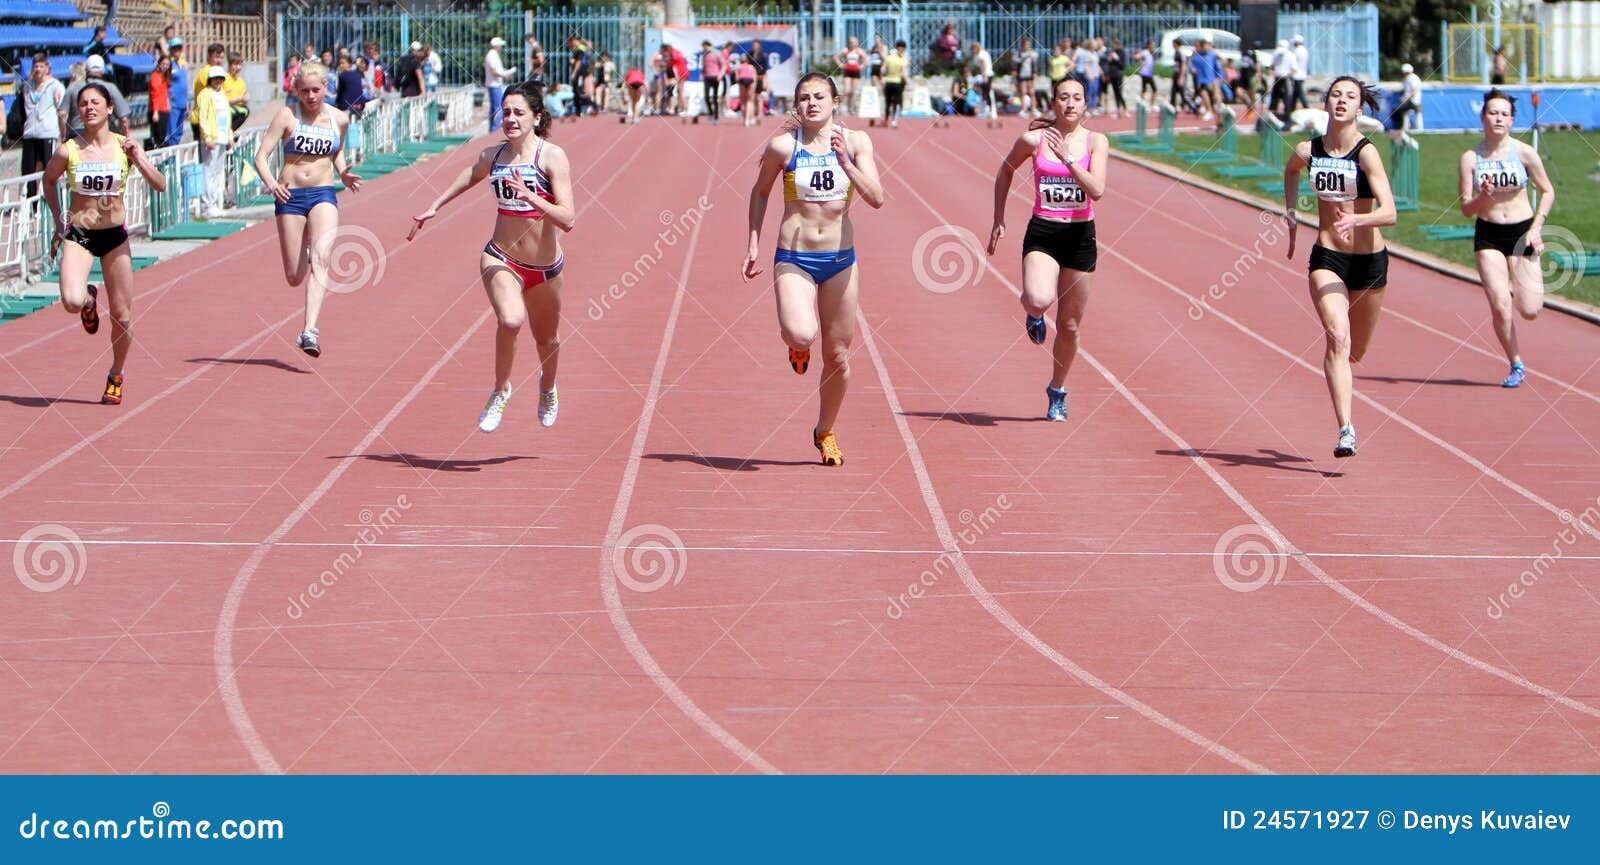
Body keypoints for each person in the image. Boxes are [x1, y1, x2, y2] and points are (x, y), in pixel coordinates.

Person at [409, 82, 575, 433]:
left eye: (519, 112)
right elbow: (471, 175)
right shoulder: (494, 156)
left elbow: (568, 219)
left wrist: (533, 198)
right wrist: (434, 206)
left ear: (537, 117)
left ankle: (548, 387)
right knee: (511, 321)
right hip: (501, 258)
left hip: (545, 268)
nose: (510, 119)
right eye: (506, 112)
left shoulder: (551, 157)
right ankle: (500, 390)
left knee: (547, 340)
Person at [742, 73, 885, 466]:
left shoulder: (856, 143)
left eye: (820, 96)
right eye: (804, 98)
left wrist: (847, 165)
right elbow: (760, 191)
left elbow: (877, 198)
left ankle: (825, 431)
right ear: (796, 106)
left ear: (835, 101)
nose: (812, 103)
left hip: (841, 260)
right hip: (795, 257)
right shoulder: (783, 147)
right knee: (801, 331)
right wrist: (754, 241)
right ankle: (796, 343)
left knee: (838, 355)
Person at [1282, 77, 1395, 458]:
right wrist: (1292, 212)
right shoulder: (1307, 149)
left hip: (1370, 262)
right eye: (1336, 95)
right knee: (1337, 338)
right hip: (1327, 257)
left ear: (1360, 109)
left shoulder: (1366, 154)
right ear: (1326, 104)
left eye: (1350, 97)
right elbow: (1291, 171)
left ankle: (1345, 374)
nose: (1342, 101)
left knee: (1356, 351)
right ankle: (1346, 429)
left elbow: (1390, 212)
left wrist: (1358, 222)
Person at [986, 77, 1108, 422]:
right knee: (1039, 298)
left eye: (1077, 98)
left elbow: (1097, 190)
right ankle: (1035, 314)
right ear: (1053, 104)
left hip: (1081, 236)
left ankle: (1057, 390)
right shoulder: (1033, 140)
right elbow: (1005, 171)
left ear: (1085, 104)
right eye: (1063, 97)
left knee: (1069, 326)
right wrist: (999, 218)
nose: (1070, 103)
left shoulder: (1097, 142)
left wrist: (1070, 160)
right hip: (1044, 231)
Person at [41, 83, 168, 405]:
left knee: (122, 317)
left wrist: (138, 157)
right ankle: (87, 301)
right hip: (80, 236)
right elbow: (49, 180)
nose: (89, 108)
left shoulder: (123, 147)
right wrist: (58, 221)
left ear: (110, 108)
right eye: (83, 104)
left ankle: (116, 373)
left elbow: (161, 185)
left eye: (95, 102)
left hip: (114, 237)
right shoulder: (68, 150)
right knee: (70, 299)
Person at [252, 61, 363, 358]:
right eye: (305, 91)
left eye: (316, 90)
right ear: (297, 91)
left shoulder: (339, 118)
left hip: (323, 193)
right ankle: (303, 248)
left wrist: (343, 173)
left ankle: (309, 330)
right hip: (290, 195)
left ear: (326, 89)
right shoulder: (287, 116)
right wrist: (272, 184)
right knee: (294, 275)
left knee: (323, 257)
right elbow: (261, 156)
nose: (311, 96)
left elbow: (337, 150)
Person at [1458, 90, 1555, 388]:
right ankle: (1516, 363)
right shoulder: (1471, 158)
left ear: (1512, 120)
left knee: (1529, 310)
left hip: (1522, 232)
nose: (1498, 118)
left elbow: (1548, 191)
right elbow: (1465, 208)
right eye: (1492, 113)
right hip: (1488, 235)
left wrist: (1537, 227)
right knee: (1501, 305)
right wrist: (1481, 197)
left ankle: (1525, 273)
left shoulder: (1524, 153)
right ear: (1483, 117)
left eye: (1504, 114)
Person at [19, 53, 67, 194]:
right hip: (30, 134)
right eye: (35, 66)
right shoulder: (27, 87)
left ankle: (51, 200)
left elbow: (62, 111)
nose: (38, 69)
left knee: (49, 168)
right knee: (28, 171)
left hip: (47, 133)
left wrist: (63, 133)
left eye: (41, 66)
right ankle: (31, 205)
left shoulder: (55, 86)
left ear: (47, 68)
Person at [195, 66, 233, 218]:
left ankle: (215, 203)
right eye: (216, 78)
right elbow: (202, 116)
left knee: (217, 172)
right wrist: (207, 137)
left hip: (222, 136)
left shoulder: (222, 94)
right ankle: (207, 205)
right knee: (208, 170)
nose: (218, 81)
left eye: (221, 78)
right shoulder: (205, 94)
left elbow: (227, 117)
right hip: (212, 138)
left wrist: (229, 136)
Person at [62, 56, 131, 136]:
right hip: (102, 134)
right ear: (102, 71)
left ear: (86, 70)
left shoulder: (73, 87)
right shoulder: (111, 88)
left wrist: (64, 135)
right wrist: (126, 137)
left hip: (77, 133)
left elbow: (62, 113)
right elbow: (123, 119)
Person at [485, 36, 516, 131]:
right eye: (500, 45)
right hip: (494, 85)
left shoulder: (493, 55)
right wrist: (505, 75)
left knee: (494, 109)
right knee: (498, 109)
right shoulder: (492, 55)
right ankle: (495, 130)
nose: (501, 47)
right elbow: (494, 72)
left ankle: (492, 129)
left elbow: (497, 70)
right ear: (497, 46)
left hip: (494, 84)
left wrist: (505, 73)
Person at [1189, 38, 1222, 121]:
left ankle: (1219, 111)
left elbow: (1218, 67)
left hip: (1213, 79)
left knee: (1215, 96)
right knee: (1203, 93)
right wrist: (1192, 69)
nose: (1207, 47)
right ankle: (1209, 111)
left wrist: (1218, 78)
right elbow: (1192, 65)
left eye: (1208, 45)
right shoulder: (1196, 56)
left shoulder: (1212, 55)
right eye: (1205, 46)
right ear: (1201, 46)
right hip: (1202, 79)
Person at [167, 38, 190, 143]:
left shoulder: (182, 64)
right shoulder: (168, 64)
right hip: (173, 103)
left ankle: (175, 153)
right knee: (171, 131)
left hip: (182, 102)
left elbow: (185, 85)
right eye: (175, 49)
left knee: (179, 131)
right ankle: (169, 154)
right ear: (170, 50)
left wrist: (187, 102)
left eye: (179, 48)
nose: (177, 51)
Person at [836, 36, 866, 116]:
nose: (854, 44)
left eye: (855, 42)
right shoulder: (846, 50)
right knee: (846, 90)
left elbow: (865, 60)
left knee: (853, 91)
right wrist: (841, 65)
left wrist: (861, 66)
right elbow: (836, 57)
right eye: (852, 42)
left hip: (855, 71)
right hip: (847, 71)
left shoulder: (859, 51)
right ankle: (837, 106)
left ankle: (851, 109)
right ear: (849, 43)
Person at [146, 54, 172, 149]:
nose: (165, 66)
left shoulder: (164, 76)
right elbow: (154, 95)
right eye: (163, 64)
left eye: (167, 65)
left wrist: (168, 103)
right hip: (156, 110)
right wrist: (155, 112)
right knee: (158, 137)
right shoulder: (155, 77)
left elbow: (165, 92)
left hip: (163, 109)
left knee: (162, 136)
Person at [1391, 62, 1422, 136]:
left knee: (1415, 112)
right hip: (1409, 100)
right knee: (1404, 112)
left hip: (1414, 100)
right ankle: (1406, 127)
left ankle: (1418, 128)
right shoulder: (1406, 79)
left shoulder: (1413, 78)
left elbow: (1415, 90)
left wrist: (1406, 99)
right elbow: (1404, 89)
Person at [882, 40, 908, 128]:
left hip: (888, 82)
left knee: (888, 102)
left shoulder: (889, 58)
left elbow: (882, 69)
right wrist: (908, 82)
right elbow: (904, 73)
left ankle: (886, 120)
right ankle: (894, 121)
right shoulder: (903, 59)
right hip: (897, 83)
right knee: (896, 102)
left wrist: (883, 78)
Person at [224, 52, 250, 132]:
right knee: (245, 111)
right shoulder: (223, 79)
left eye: (240, 65)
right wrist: (239, 99)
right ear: (229, 64)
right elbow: (221, 102)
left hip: (236, 127)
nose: (238, 67)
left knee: (245, 110)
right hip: (225, 120)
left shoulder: (241, 81)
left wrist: (246, 98)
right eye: (235, 65)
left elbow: (245, 99)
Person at [700, 40, 725, 123]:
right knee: (706, 97)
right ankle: (710, 113)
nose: (704, 48)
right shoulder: (704, 54)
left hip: (715, 77)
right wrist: (702, 74)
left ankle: (716, 116)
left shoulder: (717, 53)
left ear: (708, 45)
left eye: (705, 47)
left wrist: (720, 75)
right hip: (707, 77)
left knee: (715, 98)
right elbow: (704, 66)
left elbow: (723, 65)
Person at [1269, 39, 1293, 118]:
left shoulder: (1288, 55)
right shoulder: (1277, 54)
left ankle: (1285, 113)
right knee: (1278, 97)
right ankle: (1275, 113)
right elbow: (1272, 66)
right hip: (1281, 78)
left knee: (1283, 96)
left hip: (1283, 78)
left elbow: (1293, 69)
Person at [1014, 37, 1038, 119]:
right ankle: (1024, 110)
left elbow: (1035, 61)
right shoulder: (1019, 53)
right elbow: (1016, 61)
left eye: (1028, 44)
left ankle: (1034, 109)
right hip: (1022, 74)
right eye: (1025, 44)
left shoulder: (1032, 53)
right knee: (1023, 92)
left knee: (1032, 92)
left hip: (1030, 74)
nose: (1027, 46)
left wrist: (1035, 72)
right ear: (1022, 45)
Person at [1102, 38, 1127, 118]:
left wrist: (1116, 58)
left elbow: (1122, 65)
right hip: (1112, 75)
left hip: (1118, 74)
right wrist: (1110, 58)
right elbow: (1109, 64)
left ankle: (1125, 109)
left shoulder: (1121, 52)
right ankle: (1118, 111)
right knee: (1115, 93)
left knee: (1119, 92)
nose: (1113, 46)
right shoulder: (1112, 52)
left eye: (1114, 44)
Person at [970, 41, 994, 118]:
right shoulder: (984, 53)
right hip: (989, 74)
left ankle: (987, 111)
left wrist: (984, 75)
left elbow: (984, 65)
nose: (973, 51)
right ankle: (989, 111)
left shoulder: (980, 55)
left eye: (973, 49)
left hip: (986, 75)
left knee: (985, 93)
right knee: (986, 93)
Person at [736, 54, 758, 126]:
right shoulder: (752, 67)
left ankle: (745, 118)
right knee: (750, 101)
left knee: (743, 101)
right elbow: (754, 78)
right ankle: (749, 119)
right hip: (750, 81)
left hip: (742, 81)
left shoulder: (739, 67)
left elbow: (737, 79)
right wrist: (753, 87)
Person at [1168, 38, 1188, 112]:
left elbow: (1183, 65)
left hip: (1179, 74)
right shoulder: (1176, 52)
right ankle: (1172, 106)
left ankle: (1189, 106)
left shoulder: (1181, 52)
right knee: (1173, 92)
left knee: (1182, 92)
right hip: (1176, 73)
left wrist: (1181, 77)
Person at [1291, 34, 1309, 110]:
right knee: (1295, 94)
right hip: (1302, 74)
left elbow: (1293, 63)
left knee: (1300, 93)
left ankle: (1306, 108)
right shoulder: (1305, 50)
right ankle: (1292, 109)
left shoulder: (1296, 51)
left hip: (1297, 75)